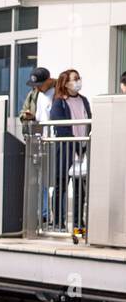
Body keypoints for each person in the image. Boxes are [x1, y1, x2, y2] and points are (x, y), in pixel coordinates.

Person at [49, 68, 92, 234]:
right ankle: (58, 222)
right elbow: (61, 127)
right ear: (66, 83)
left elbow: (89, 120)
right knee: (61, 186)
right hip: (66, 149)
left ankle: (78, 225)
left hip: (82, 149)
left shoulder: (84, 100)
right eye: (75, 79)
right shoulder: (59, 102)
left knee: (80, 189)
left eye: (79, 78)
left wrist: (83, 147)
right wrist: (74, 146)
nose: (78, 81)